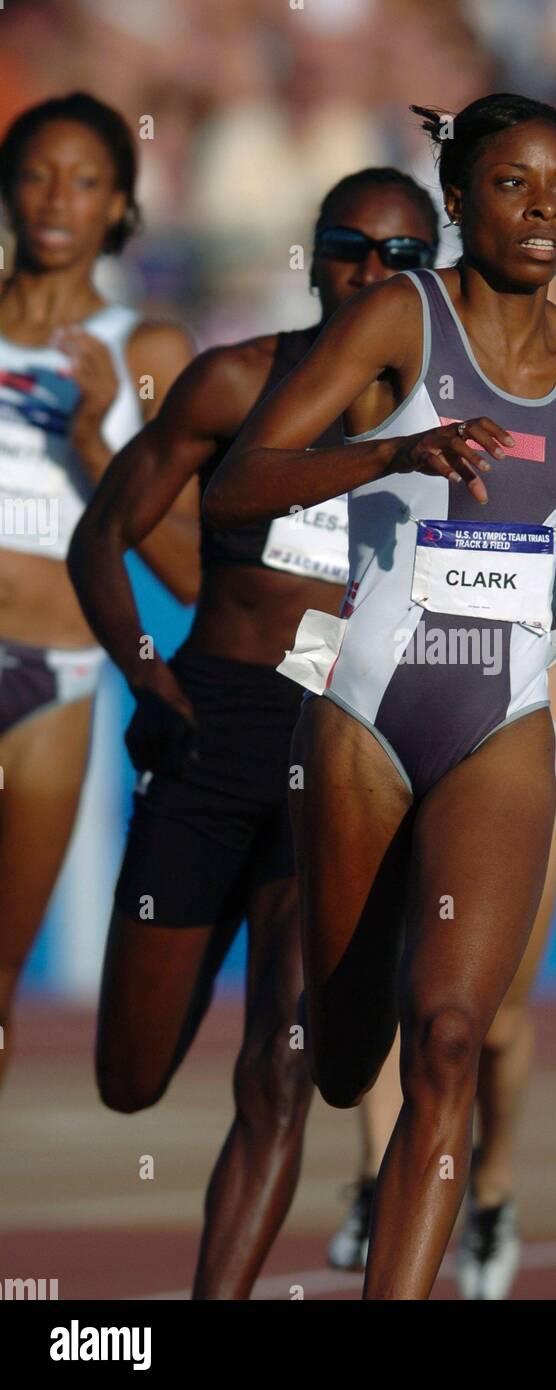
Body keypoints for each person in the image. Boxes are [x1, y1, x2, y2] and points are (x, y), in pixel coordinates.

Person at [204, 92, 556, 1300]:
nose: (542, 213)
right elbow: (239, 484)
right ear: (459, 199)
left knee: (454, 1040)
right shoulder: (394, 318)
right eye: (513, 186)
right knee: (344, 1050)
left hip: (502, 710)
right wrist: (395, 452)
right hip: (366, 701)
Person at [67, 167, 440, 1300]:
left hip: (339, 742)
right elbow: (100, 539)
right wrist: (143, 678)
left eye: (402, 259)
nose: (369, 274)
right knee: (129, 1079)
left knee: (279, 1068)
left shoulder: (449, 424)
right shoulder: (236, 381)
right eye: (347, 247)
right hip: (209, 720)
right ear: (313, 255)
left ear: (431, 282)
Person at [328, 421, 556, 1297]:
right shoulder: (412, 409)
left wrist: (544, 501)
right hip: (392, 722)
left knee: (489, 1016)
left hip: (525, 742)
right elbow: (340, 566)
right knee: (394, 990)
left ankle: (494, 1187)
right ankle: (374, 1182)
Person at [0, 92, 195, 1092]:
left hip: (53, 678)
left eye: (83, 181)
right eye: (36, 174)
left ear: (121, 205)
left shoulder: (148, 353)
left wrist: (93, 439)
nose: (55, 200)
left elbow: (191, 563)